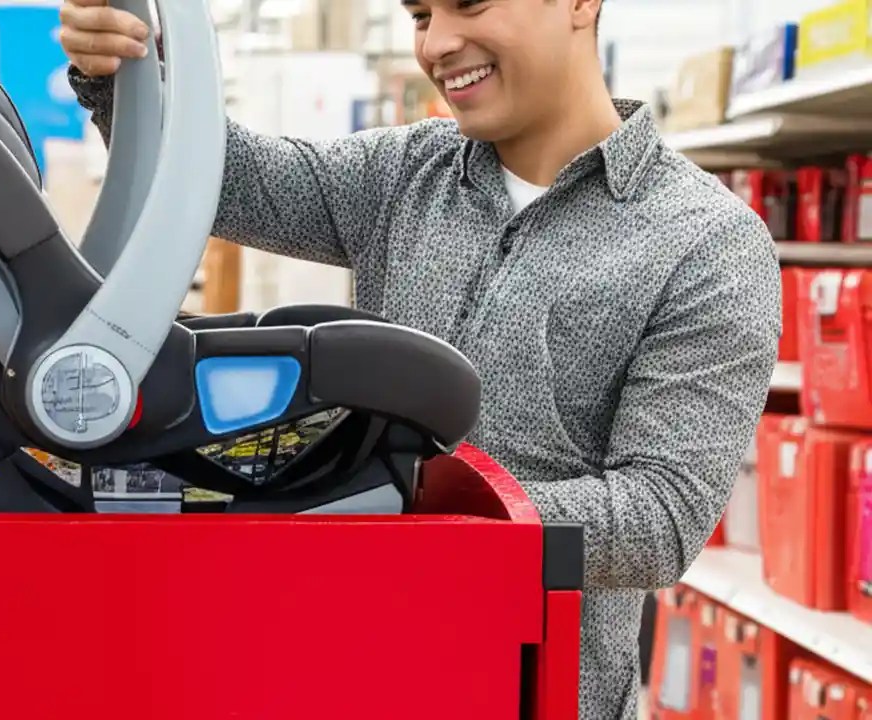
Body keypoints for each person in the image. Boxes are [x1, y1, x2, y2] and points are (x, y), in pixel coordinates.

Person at [58, 0, 781, 718]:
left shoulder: (705, 246)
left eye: (468, 5)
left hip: (535, 692)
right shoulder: (403, 176)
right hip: (357, 673)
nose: (438, 44)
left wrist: (402, 506)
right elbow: (226, 176)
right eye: (420, 15)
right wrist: (121, 72)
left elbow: (660, 519)